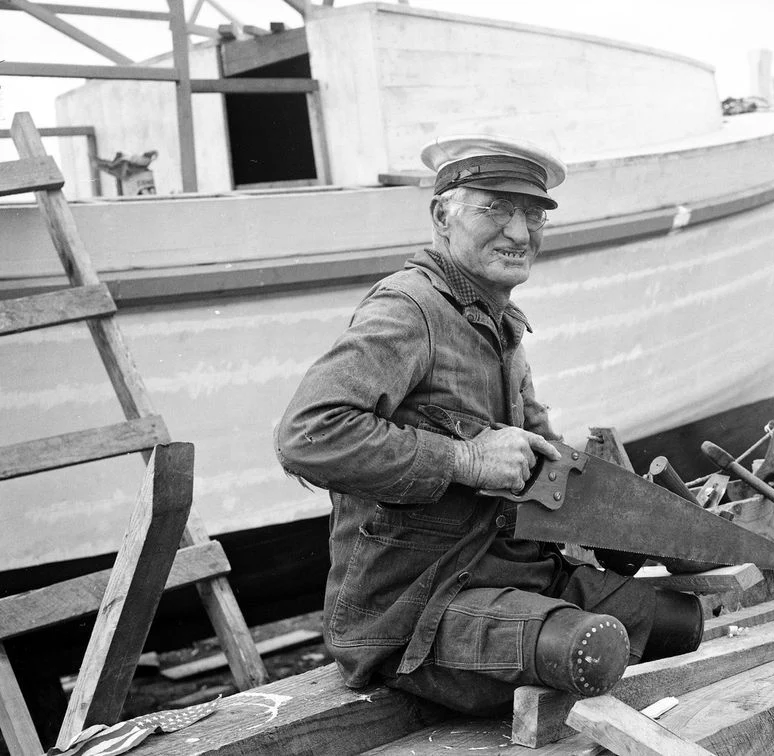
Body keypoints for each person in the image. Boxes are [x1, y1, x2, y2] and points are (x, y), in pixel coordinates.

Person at [275, 135, 703, 715]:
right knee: (591, 648)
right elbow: (308, 435)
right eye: (495, 209)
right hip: (416, 605)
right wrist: (466, 460)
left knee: (680, 622)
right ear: (442, 217)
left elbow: (547, 464)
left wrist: (642, 524)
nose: (520, 233)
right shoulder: (409, 310)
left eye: (533, 214)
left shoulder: (500, 324)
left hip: (512, 573)